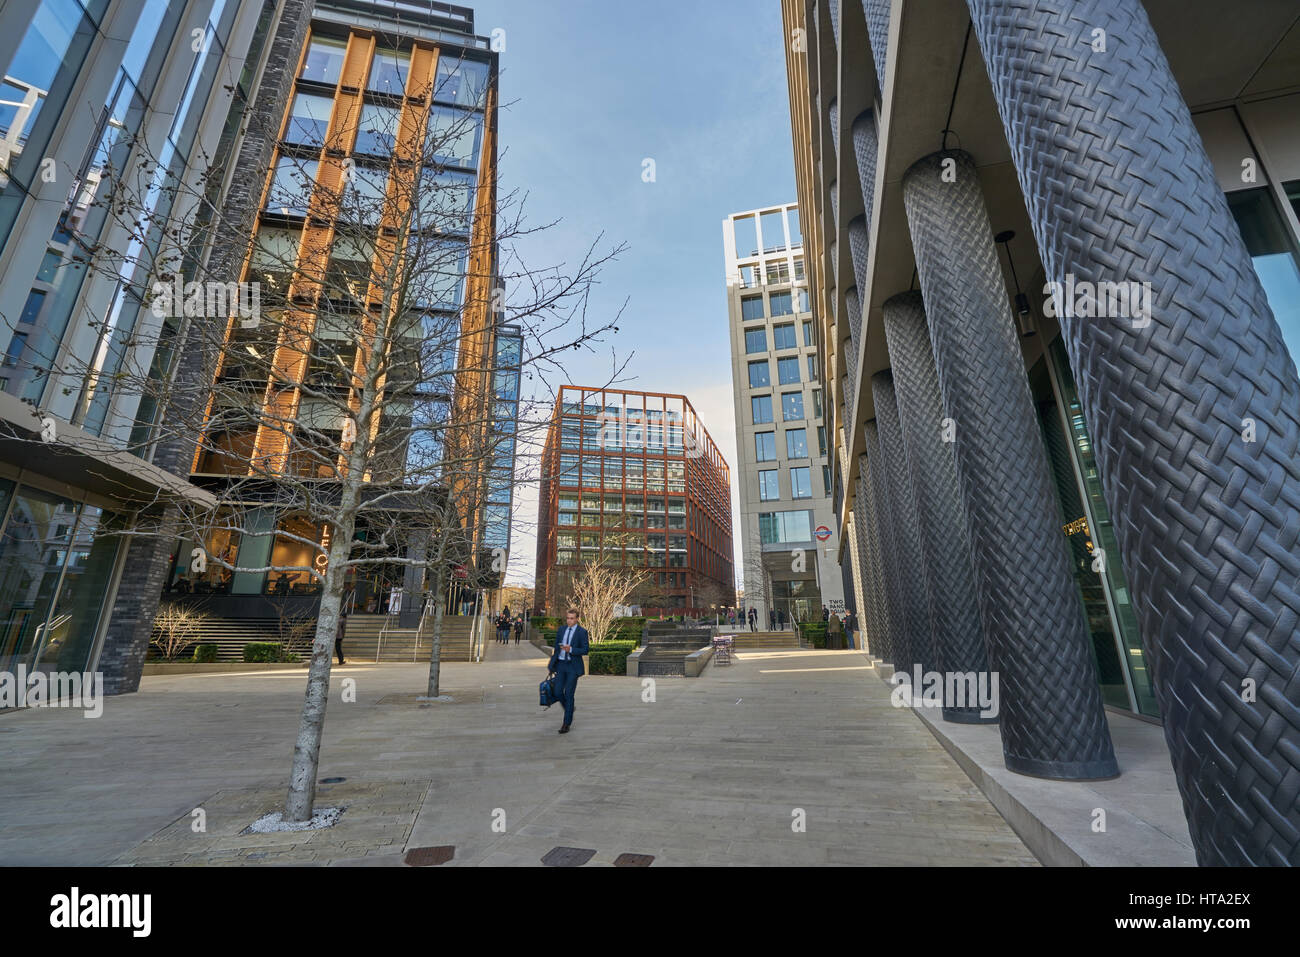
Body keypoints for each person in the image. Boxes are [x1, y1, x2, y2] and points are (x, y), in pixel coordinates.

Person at [548, 607, 589, 734]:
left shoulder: (582, 632)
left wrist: (570, 649)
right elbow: (556, 646)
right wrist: (552, 664)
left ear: (577, 619)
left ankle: (566, 723)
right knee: (557, 691)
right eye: (567, 618)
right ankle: (569, 708)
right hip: (561, 665)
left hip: (573, 666)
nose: (569, 621)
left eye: (572, 618)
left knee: (569, 694)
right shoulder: (561, 630)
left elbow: (585, 649)